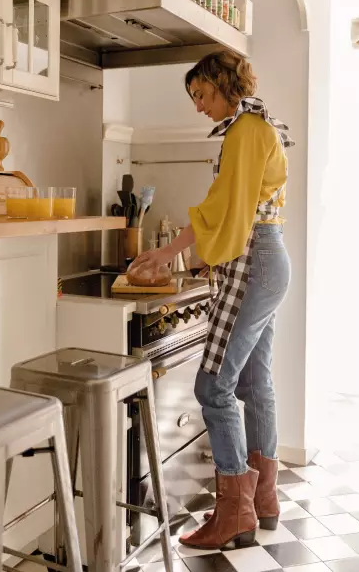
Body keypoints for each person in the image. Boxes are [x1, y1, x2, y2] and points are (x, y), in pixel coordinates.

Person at [132, 50, 293, 550]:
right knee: (254, 382)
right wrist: (192, 254)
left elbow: (224, 209)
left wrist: (168, 252)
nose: (198, 106)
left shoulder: (246, 129)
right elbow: (233, 210)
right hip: (267, 259)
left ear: (223, 83)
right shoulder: (257, 124)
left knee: (213, 386)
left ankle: (234, 515)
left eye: (200, 94)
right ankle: (262, 499)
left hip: (255, 261)